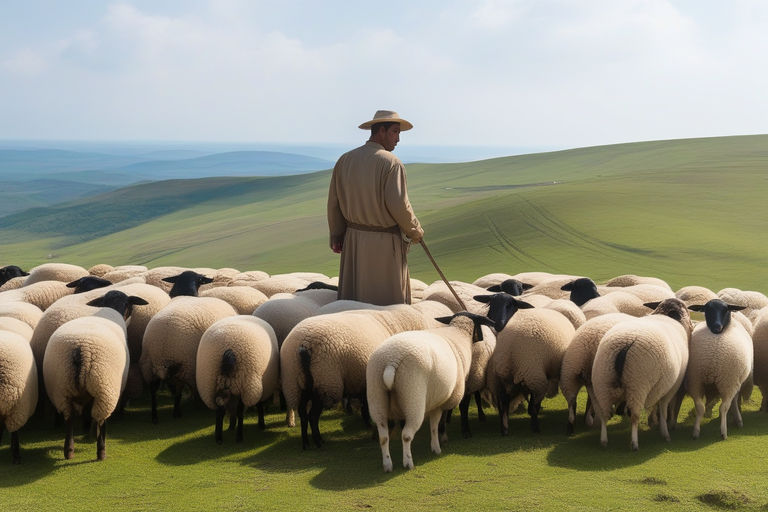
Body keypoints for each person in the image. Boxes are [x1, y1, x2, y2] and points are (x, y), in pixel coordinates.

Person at [327, 110, 424, 305]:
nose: (398, 139)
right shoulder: (391, 163)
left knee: (352, 305)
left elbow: (334, 203)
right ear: (381, 131)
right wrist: (415, 232)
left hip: (353, 242)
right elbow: (399, 205)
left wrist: (337, 235)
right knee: (387, 310)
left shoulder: (345, 160)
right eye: (395, 132)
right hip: (384, 245)